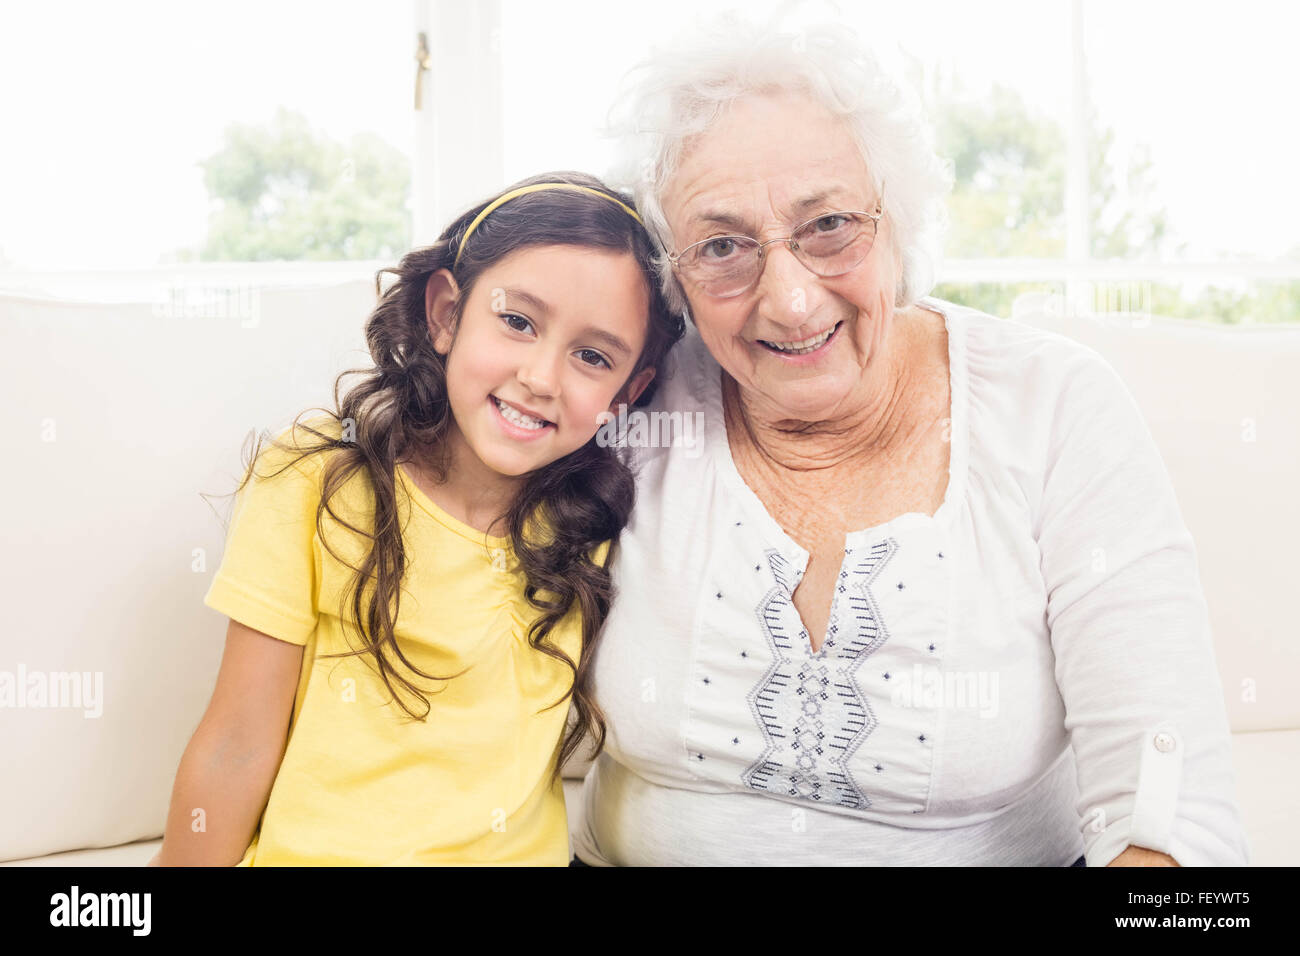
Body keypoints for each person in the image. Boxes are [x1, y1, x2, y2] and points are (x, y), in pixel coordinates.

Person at [570, 15, 1250, 866]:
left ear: (900, 219)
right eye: (722, 246)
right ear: (673, 275)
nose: (789, 300)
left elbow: (1174, 819)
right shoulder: (630, 398)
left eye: (829, 227)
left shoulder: (1054, 406)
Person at [154, 171, 683, 865]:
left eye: (592, 357)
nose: (542, 377)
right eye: (518, 322)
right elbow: (236, 741)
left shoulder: (599, 525)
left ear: (627, 393)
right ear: (444, 314)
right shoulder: (316, 482)